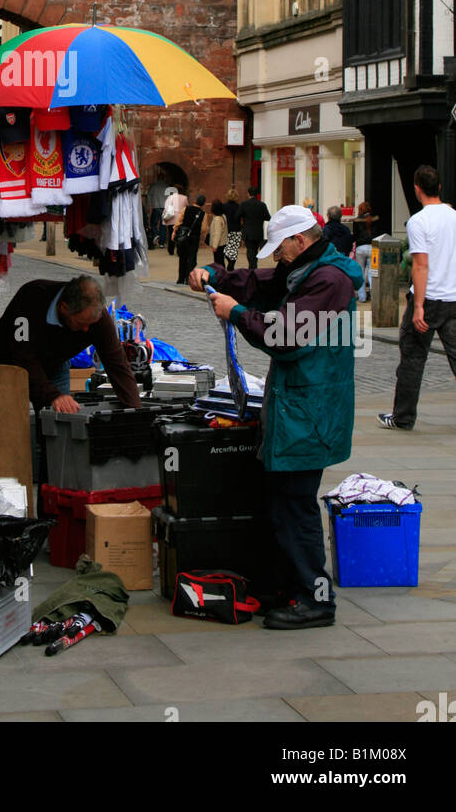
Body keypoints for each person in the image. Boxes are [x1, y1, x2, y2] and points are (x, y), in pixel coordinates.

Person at [188, 204, 364, 629]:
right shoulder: (307, 268)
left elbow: (284, 335)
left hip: (311, 410)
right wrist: (215, 274)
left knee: (296, 504)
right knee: (284, 502)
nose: (274, 256)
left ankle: (315, 597)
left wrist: (235, 313)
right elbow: (260, 280)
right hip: (299, 406)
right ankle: (290, 588)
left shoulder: (328, 280)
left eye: (279, 248)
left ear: (299, 241)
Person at [0, 274, 141, 413]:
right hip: (8, 364)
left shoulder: (98, 319)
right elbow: (23, 357)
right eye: (82, 323)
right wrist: (53, 396)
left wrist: (135, 410)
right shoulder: (31, 297)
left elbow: (117, 363)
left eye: (91, 324)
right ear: (64, 308)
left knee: (59, 421)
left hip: (54, 364)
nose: (87, 329)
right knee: (10, 425)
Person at [379, 165, 456, 430]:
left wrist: (419, 306)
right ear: (440, 188)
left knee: (412, 359)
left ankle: (403, 417)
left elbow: (420, 265)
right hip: (454, 297)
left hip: (430, 296)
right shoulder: (454, 216)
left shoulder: (419, 221)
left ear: (417, 189)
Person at [174, 193, 206, 285]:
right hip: (194, 238)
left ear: (195, 201)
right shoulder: (203, 214)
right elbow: (204, 228)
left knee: (182, 257)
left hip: (183, 237)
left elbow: (179, 222)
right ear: (203, 204)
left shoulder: (186, 209)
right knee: (191, 258)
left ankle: (180, 278)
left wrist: (175, 232)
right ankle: (188, 279)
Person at [351, 202, 378, 304]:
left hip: (360, 248)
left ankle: (362, 297)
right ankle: (374, 296)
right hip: (373, 247)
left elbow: (355, 236)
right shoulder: (376, 218)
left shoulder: (357, 220)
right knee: (373, 272)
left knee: (361, 272)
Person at [240, 186, 271, 269]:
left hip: (248, 232)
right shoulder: (262, 205)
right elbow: (268, 217)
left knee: (250, 250)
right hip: (258, 232)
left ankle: (252, 267)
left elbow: (237, 216)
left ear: (248, 194)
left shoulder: (244, 204)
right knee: (255, 250)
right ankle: (254, 266)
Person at [162, 185, 187, 255]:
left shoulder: (170, 197)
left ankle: (171, 250)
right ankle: (179, 250)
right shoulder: (184, 198)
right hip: (180, 218)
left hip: (171, 218)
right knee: (179, 234)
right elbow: (186, 207)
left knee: (171, 233)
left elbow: (166, 208)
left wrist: (164, 217)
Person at [223, 187, 243, 270]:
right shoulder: (239, 206)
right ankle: (231, 265)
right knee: (234, 249)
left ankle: (229, 260)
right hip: (236, 230)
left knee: (226, 248)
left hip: (226, 230)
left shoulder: (224, 206)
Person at [208, 199, 228, 267]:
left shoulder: (217, 219)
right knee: (221, 260)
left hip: (218, 244)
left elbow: (217, 233)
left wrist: (215, 246)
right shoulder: (223, 216)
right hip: (223, 242)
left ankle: (221, 275)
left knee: (218, 262)